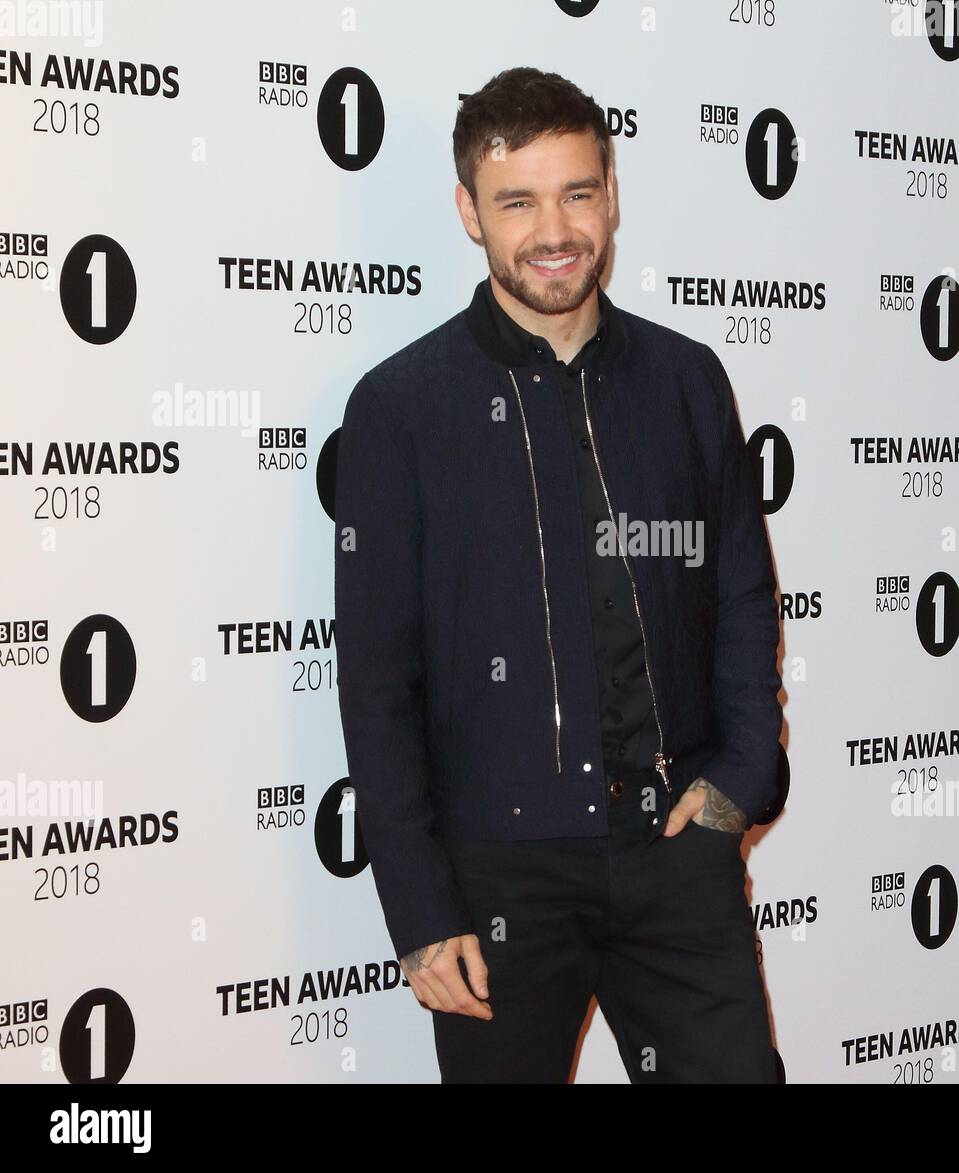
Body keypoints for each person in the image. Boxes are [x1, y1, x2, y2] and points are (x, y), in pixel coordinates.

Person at [333, 65, 784, 1083]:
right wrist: (419, 905)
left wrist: (736, 787)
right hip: (501, 880)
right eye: (517, 201)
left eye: (577, 193)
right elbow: (376, 682)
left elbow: (743, 602)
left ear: (612, 195)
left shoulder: (684, 381)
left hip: (677, 853)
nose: (553, 230)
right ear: (468, 212)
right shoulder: (401, 409)